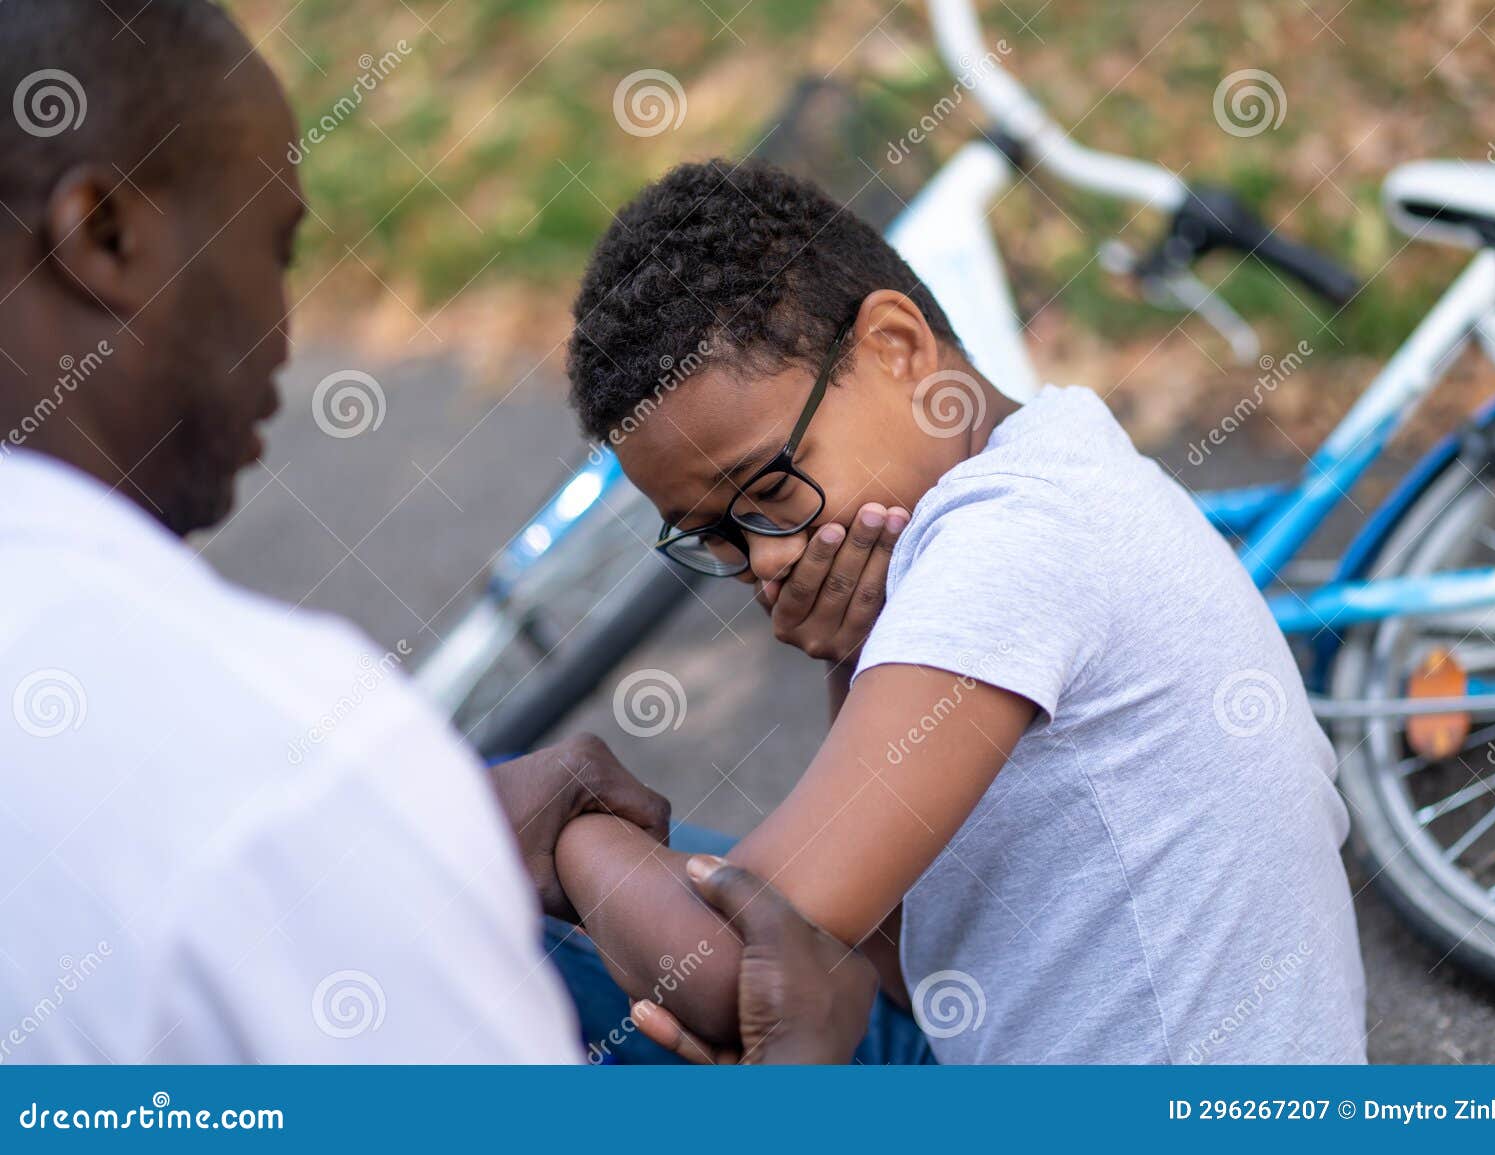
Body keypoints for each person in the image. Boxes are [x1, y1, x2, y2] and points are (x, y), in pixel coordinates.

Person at [0, 0, 875, 1065]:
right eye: (273, 247)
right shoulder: (277, 750)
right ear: (108, 236)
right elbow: (770, 967)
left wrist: (417, 820)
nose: (284, 328)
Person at [555, 159, 1370, 1064]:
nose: (766, 557)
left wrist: (565, 831)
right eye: (711, 536)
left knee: (515, 917)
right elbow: (905, 963)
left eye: (766, 490)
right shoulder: (1055, 456)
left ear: (898, 348)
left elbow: (730, 977)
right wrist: (849, 658)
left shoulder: (1013, 543)